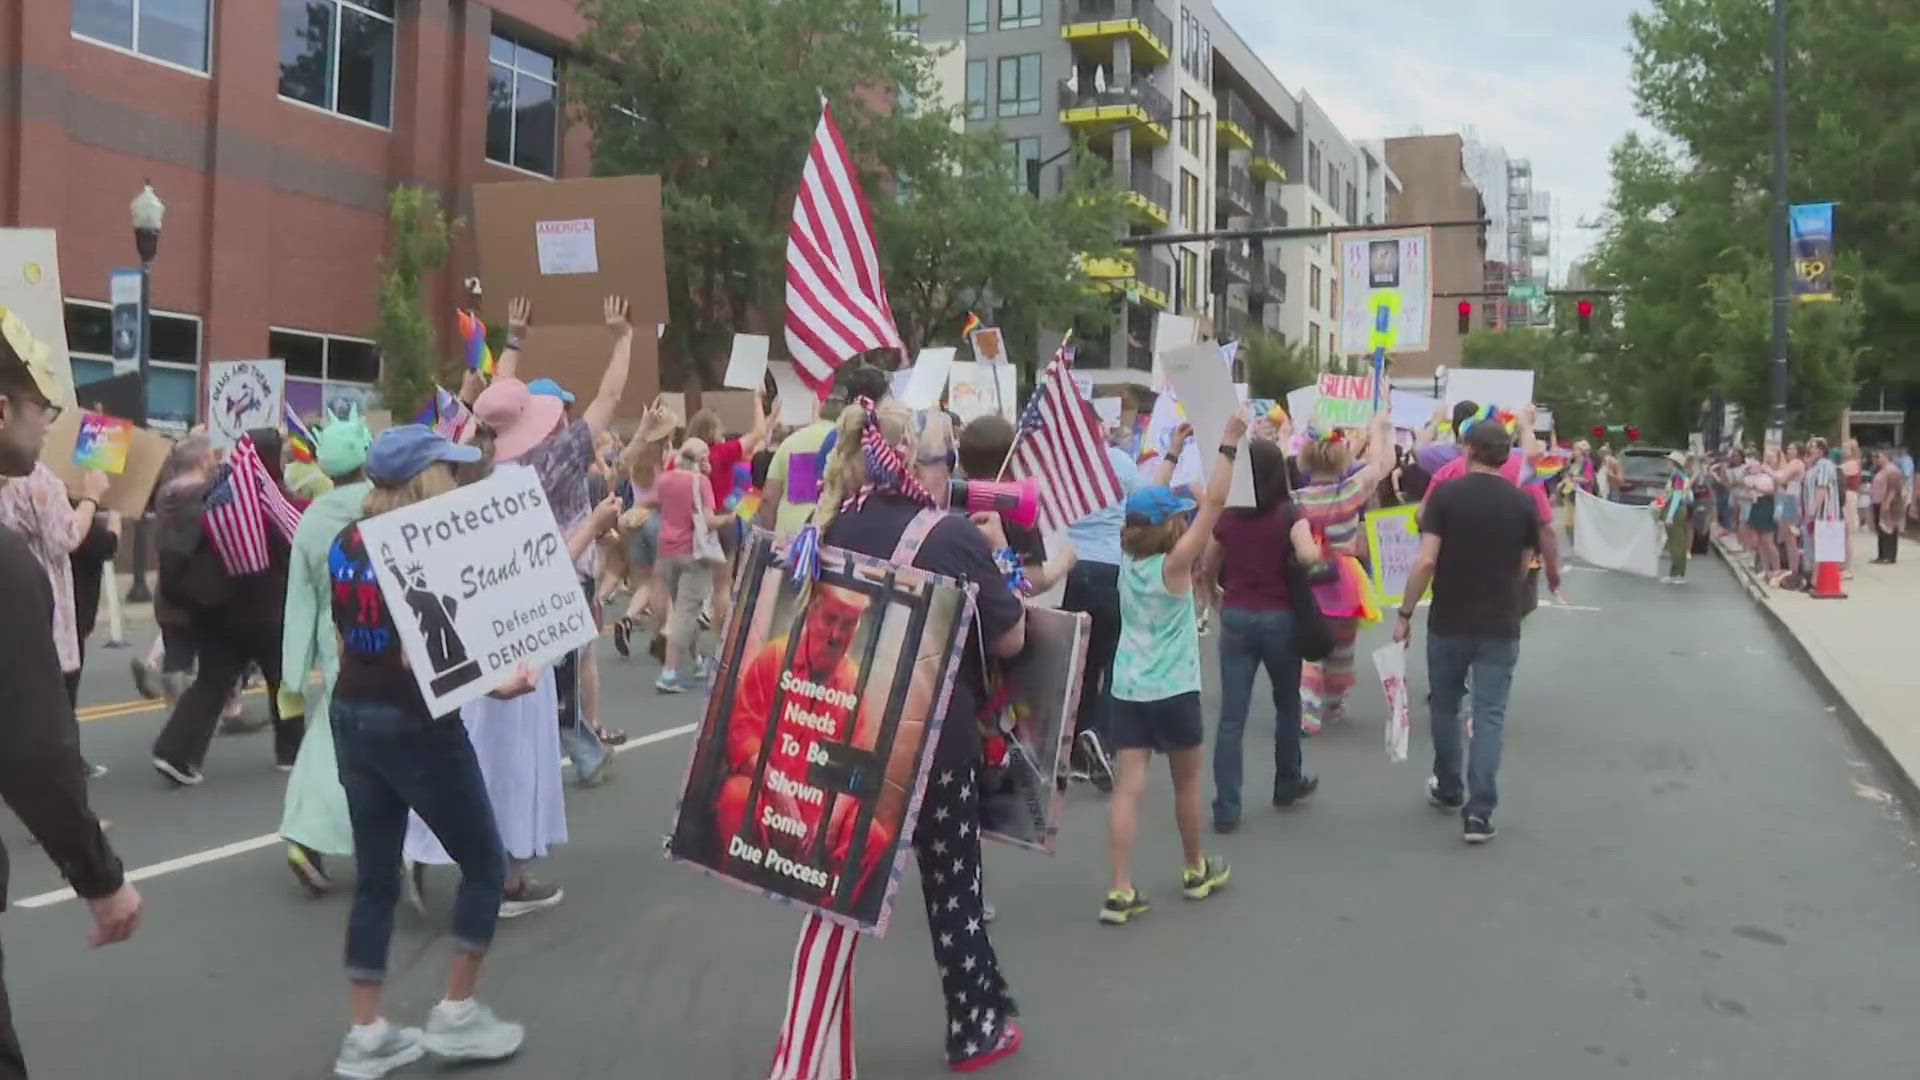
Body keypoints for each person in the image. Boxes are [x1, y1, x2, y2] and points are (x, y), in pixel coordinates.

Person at [764, 395, 1026, 1077]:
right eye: (946, 460)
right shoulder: (953, 536)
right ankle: (975, 1027)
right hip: (935, 746)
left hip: (846, 736)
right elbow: (1011, 637)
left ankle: (811, 1043)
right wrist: (1000, 554)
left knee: (836, 897)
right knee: (953, 888)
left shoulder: (831, 523)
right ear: (914, 461)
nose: (951, 475)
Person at [326, 426, 539, 1078]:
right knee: (484, 864)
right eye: (447, 468)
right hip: (417, 724)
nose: (455, 478)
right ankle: (457, 1012)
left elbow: (347, 637)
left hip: (351, 714)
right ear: (424, 479)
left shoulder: (346, 541)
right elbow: (426, 655)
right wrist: (501, 685)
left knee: (376, 880)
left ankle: (366, 1033)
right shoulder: (422, 547)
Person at [0, 325, 142, 1078]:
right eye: (41, 408)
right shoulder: (8, 565)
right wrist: (100, 877)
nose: (48, 425)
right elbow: (32, 752)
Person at [1100, 410, 1245, 925]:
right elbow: (1216, 503)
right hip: (1175, 689)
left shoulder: (1126, 559)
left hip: (1129, 688)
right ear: (1168, 526)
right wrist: (1227, 444)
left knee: (1128, 790)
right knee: (1186, 785)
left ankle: (1120, 889)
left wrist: (1172, 452)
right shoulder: (1176, 564)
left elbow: (1146, 503)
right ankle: (1194, 867)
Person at [1393, 418, 1540, 844]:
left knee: (1445, 706)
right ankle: (1479, 813)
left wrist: (1405, 613)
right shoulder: (1523, 503)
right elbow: (1523, 565)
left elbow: (1425, 561)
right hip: (1500, 622)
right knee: (1489, 714)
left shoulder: (1446, 496)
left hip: (1450, 619)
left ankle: (1449, 785)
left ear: (1469, 450)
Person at [151, 427, 303, 784]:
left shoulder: (220, 494)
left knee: (212, 681)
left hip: (220, 608)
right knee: (284, 681)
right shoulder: (273, 497)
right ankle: (290, 751)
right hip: (268, 608)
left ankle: (174, 752)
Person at [1198, 438, 1322, 834]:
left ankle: (1227, 806)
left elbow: (1207, 563)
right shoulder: (1289, 513)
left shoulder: (1231, 516)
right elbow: (1308, 555)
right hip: (1280, 617)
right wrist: (1308, 558)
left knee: (1232, 716)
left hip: (1237, 614)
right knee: (1287, 703)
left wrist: (1214, 593)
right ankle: (1287, 782)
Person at [277, 402, 375, 894]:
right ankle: (391, 842)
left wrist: (293, 678)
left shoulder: (312, 519)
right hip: (384, 633)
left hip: (333, 639)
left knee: (330, 733)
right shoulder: (385, 505)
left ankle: (306, 833)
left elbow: (299, 599)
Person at [1291, 412, 1394, 734]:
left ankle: (1307, 709)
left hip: (1308, 576)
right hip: (1345, 578)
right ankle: (1334, 702)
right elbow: (1379, 466)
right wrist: (1377, 430)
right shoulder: (1349, 493)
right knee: (1342, 646)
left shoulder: (1296, 500)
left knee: (1309, 645)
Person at [1056, 417, 1141, 792]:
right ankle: (1100, 736)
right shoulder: (1121, 462)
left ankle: (1076, 743)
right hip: (1112, 567)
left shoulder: (1062, 465)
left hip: (1070, 568)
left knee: (1082, 663)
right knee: (1115, 659)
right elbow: (1140, 510)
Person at [647, 436, 735, 692]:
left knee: (684, 607)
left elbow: (658, 504)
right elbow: (709, 520)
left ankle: (697, 660)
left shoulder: (665, 479)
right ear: (701, 459)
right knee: (686, 612)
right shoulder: (700, 482)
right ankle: (669, 673)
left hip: (667, 550)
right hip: (693, 553)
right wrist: (729, 518)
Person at [1658, 451, 1697, 585]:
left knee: (1676, 543)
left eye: (1669, 461)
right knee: (1676, 542)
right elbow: (1669, 494)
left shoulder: (1677, 476)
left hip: (1677, 510)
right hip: (1677, 509)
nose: (1667, 463)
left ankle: (1678, 573)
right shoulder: (1678, 475)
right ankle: (1676, 573)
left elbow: (1676, 496)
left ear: (1674, 463)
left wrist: (1670, 514)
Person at [1870, 449, 1906, 564]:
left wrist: (1887, 503)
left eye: (1879, 456)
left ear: (1886, 456)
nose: (1877, 459)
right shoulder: (1880, 470)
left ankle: (1889, 556)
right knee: (1881, 529)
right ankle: (1882, 554)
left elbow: (1893, 489)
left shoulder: (1892, 470)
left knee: (1889, 529)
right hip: (1877, 502)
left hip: (1888, 503)